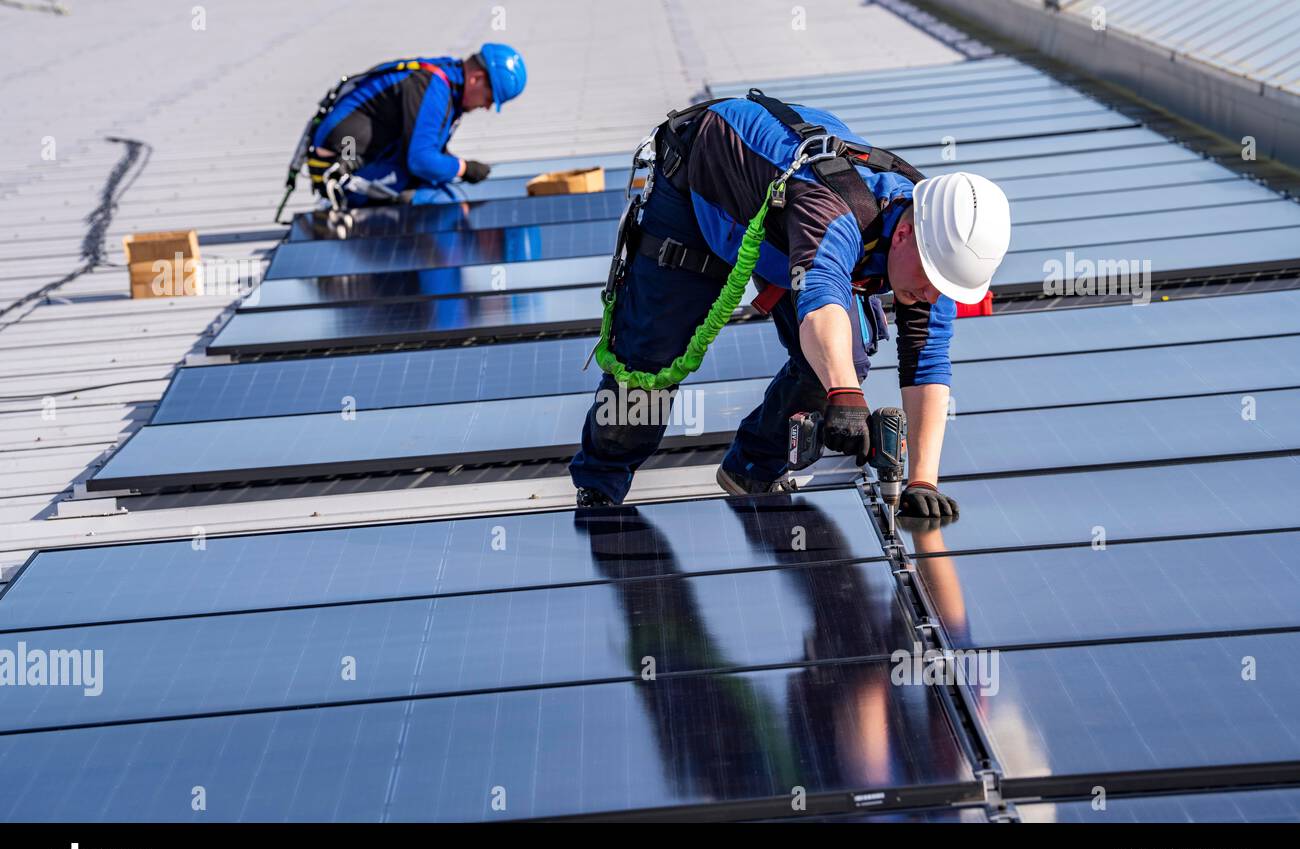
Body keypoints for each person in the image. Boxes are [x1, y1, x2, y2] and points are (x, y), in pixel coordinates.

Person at [569, 92, 1012, 518]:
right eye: (932, 282)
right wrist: (844, 394)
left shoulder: (936, 249)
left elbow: (928, 362)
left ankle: (752, 470)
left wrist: (923, 481)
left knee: (845, 361)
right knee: (647, 358)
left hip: (780, 223)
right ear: (902, 235)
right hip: (705, 188)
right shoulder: (838, 213)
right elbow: (820, 302)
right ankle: (600, 484)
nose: (934, 296)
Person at [305, 43, 526, 208]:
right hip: (341, 172)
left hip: (362, 161)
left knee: (441, 189)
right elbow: (421, 161)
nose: (487, 107)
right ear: (476, 78)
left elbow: (426, 148)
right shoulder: (433, 88)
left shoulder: (446, 80)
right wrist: (464, 168)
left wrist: (454, 166)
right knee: (432, 200)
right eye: (490, 99)